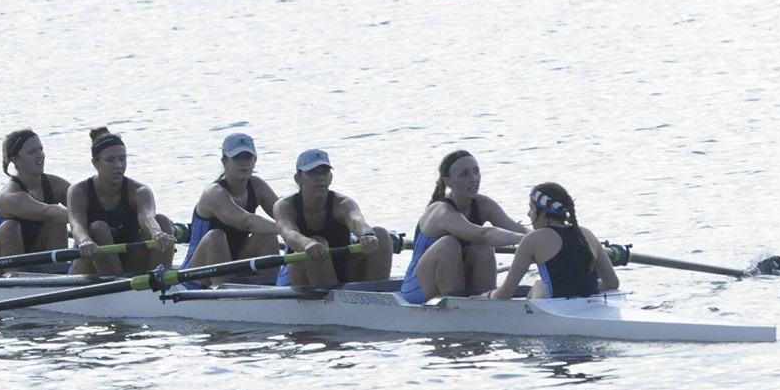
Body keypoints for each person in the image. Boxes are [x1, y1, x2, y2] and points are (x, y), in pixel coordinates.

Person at [400, 149, 529, 302]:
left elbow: (517, 228)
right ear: (448, 182)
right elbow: (483, 234)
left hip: (454, 280)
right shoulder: (442, 211)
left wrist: (546, 236)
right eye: (464, 174)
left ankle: (487, 305)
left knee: (483, 246)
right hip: (418, 287)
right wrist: (524, 241)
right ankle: (457, 308)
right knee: (449, 244)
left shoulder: (484, 204)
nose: (474, 178)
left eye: (476, 171)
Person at [273, 149, 395, 290]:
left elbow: (357, 220)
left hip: (341, 269)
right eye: (312, 173)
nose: (320, 178)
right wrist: (306, 243)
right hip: (298, 276)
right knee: (318, 242)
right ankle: (329, 304)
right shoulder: (285, 206)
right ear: (298, 178)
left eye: (324, 172)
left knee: (380, 234)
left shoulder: (343, 203)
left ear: (330, 178)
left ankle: (377, 298)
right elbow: (289, 233)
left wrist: (366, 234)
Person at [68, 127, 177, 275]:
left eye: (122, 159)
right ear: (95, 163)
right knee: (98, 228)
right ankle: (117, 286)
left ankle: (160, 282)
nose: (118, 166)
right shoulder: (79, 191)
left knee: (163, 221)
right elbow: (76, 224)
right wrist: (85, 240)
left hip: (131, 261)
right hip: (91, 266)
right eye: (110, 160)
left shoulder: (139, 191)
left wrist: (156, 232)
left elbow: (147, 217)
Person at [489, 182, 620, 300]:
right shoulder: (587, 234)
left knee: (539, 286)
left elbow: (504, 294)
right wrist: (581, 289)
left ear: (542, 212)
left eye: (531, 208)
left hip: (554, 312)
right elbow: (612, 283)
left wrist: (488, 295)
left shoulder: (532, 239)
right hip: (592, 308)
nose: (529, 214)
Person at [185, 132, 282, 275]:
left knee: (267, 234)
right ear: (224, 162)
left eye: (248, 157)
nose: (244, 163)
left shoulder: (257, 185)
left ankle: (273, 286)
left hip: (236, 259)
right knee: (215, 236)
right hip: (197, 271)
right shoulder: (214, 193)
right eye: (237, 158)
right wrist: (289, 231)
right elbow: (247, 221)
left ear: (255, 160)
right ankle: (224, 289)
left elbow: (286, 214)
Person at [0, 130, 73, 262]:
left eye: (41, 149)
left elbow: (84, 202)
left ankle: (58, 271)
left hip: (29, 253)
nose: (40, 155)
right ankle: (11, 276)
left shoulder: (55, 184)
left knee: (56, 221)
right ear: (15, 160)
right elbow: (46, 211)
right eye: (32, 152)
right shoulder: (10, 196)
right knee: (10, 228)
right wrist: (83, 218)